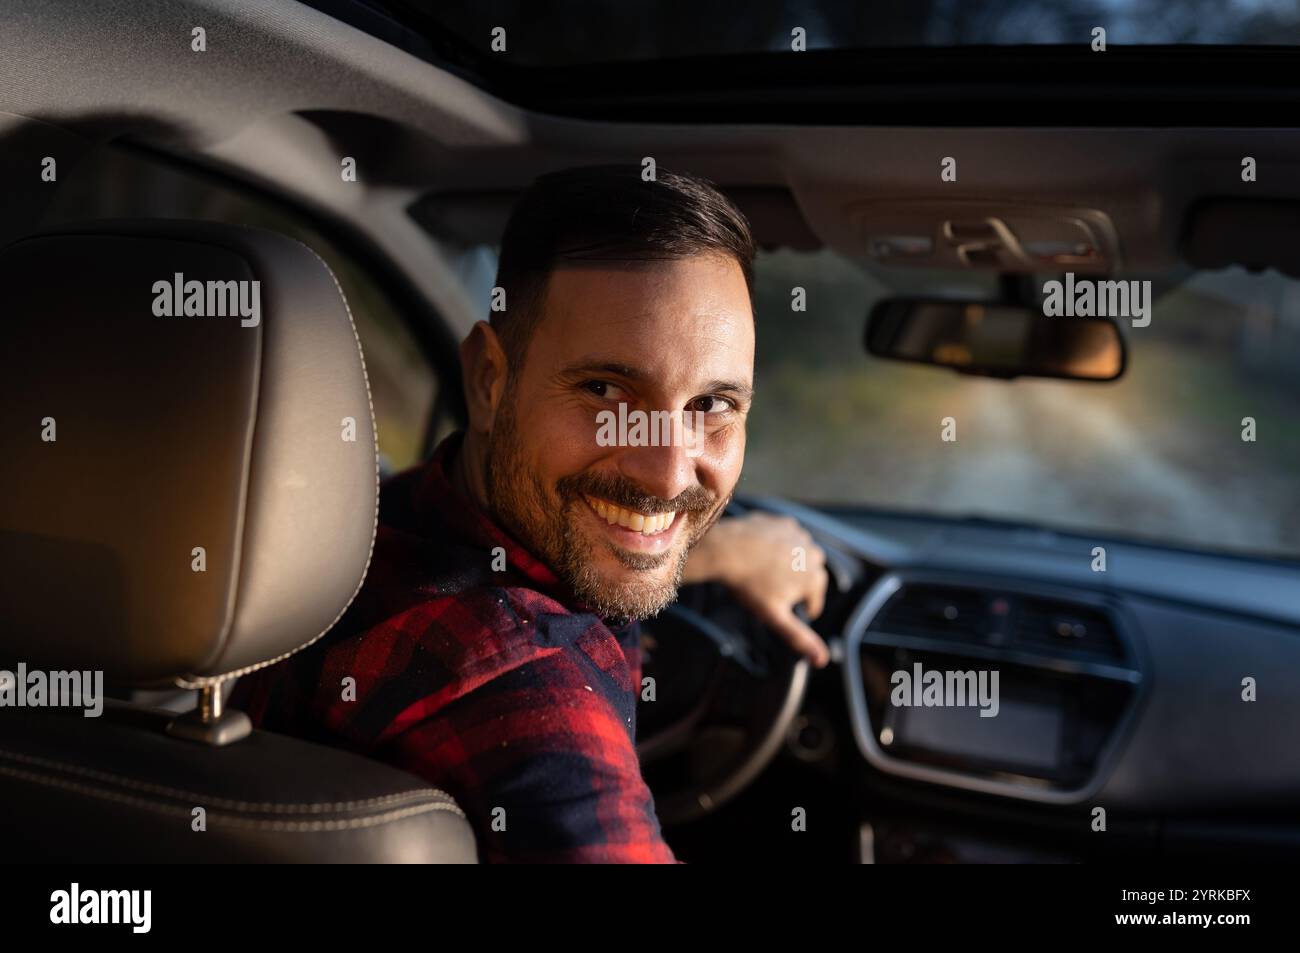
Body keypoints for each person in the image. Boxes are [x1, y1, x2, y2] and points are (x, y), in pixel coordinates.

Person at [229, 165, 829, 862]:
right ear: (488, 379)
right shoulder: (535, 706)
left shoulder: (371, 521)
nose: (667, 471)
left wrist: (718, 554)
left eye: (712, 405)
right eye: (605, 390)